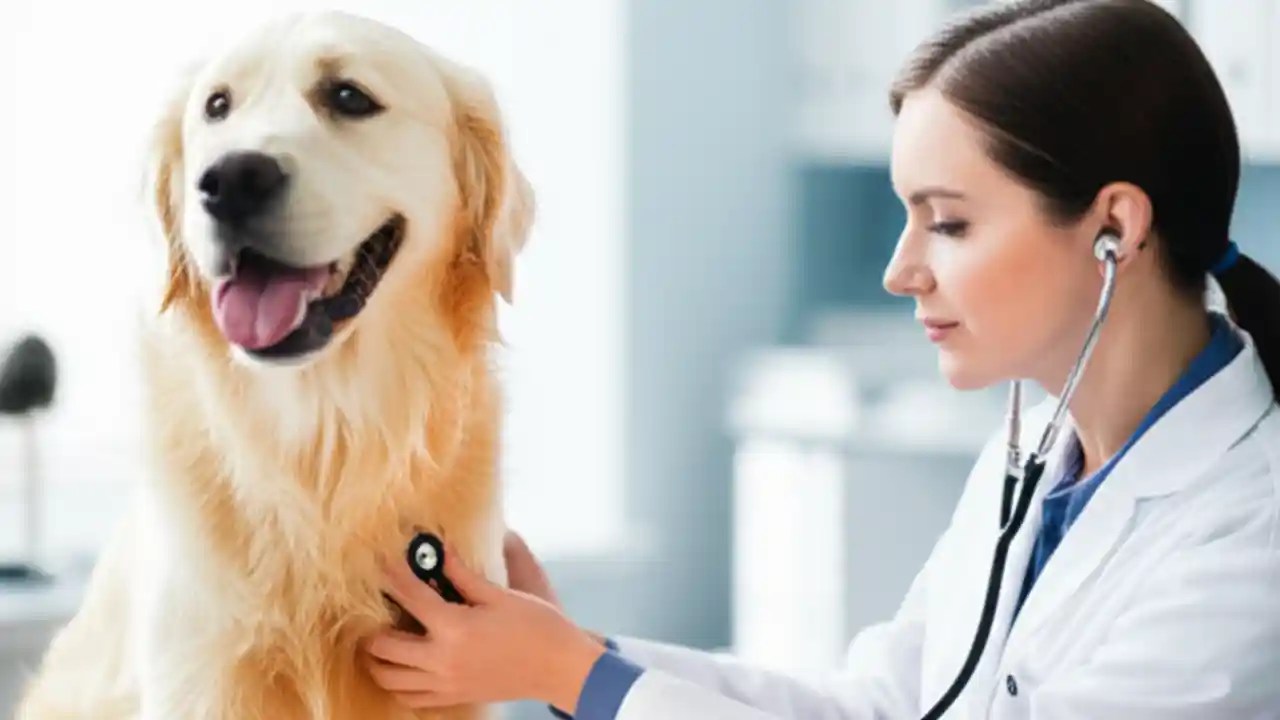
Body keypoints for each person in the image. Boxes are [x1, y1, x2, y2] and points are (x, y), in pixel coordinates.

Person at [361, 0, 1280, 717]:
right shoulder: (1037, 463)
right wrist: (575, 654)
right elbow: (878, 706)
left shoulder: (1250, 537)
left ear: (1114, 227)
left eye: (949, 222)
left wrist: (571, 675)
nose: (899, 270)